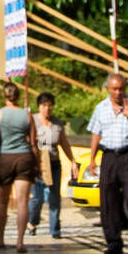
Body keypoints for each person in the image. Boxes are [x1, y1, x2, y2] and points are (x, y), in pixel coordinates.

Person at [87, 73, 128, 254]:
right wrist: (92, 158)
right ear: (108, 89)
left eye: (121, 89)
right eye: (114, 89)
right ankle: (113, 241)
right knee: (108, 199)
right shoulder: (101, 108)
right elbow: (96, 133)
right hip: (109, 156)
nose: (118, 92)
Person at [0, 82, 39, 252]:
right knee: (22, 201)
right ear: (18, 96)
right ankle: (20, 241)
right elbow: (33, 143)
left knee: (2, 202)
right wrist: (37, 162)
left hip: (4, 159)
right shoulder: (27, 115)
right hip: (24, 158)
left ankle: (1, 237)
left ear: (5, 96)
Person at [28, 92, 78, 238]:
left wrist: (73, 161)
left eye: (50, 106)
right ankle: (32, 221)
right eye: (44, 106)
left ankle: (55, 229)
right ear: (39, 107)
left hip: (54, 164)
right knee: (37, 198)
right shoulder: (32, 121)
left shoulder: (57, 123)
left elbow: (64, 143)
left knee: (54, 197)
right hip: (38, 165)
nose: (47, 109)